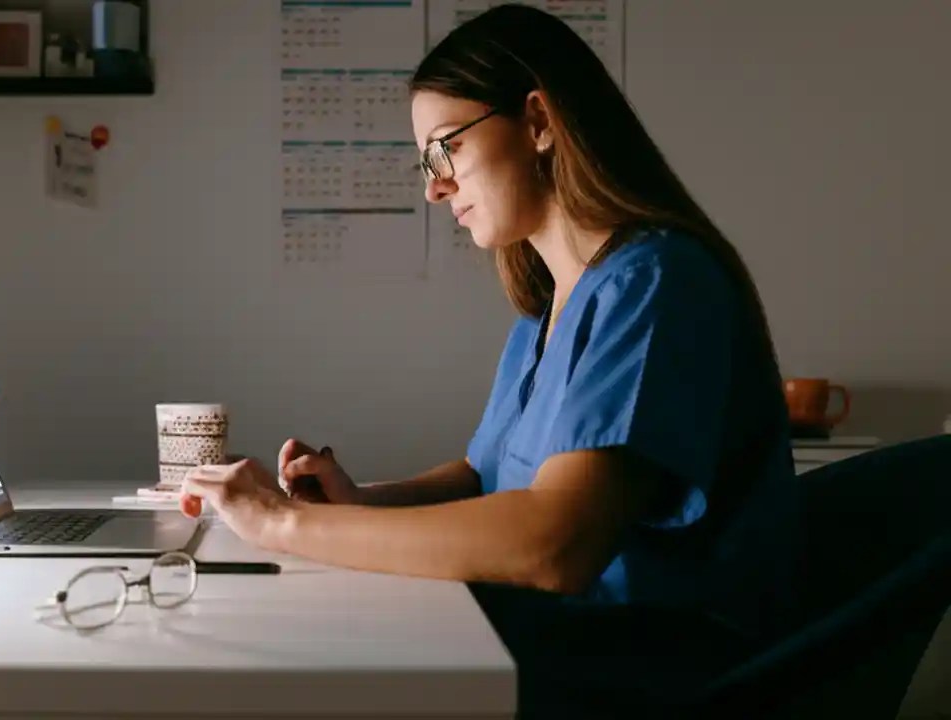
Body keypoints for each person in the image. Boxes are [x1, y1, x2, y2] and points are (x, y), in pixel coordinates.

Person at [180, 4, 801, 713]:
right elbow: (487, 477)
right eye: (425, 163)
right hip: (562, 647)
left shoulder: (655, 283)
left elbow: (553, 544)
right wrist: (361, 501)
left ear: (538, 122)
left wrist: (281, 522)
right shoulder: (545, 315)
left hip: (658, 676)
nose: (432, 186)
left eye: (446, 149)